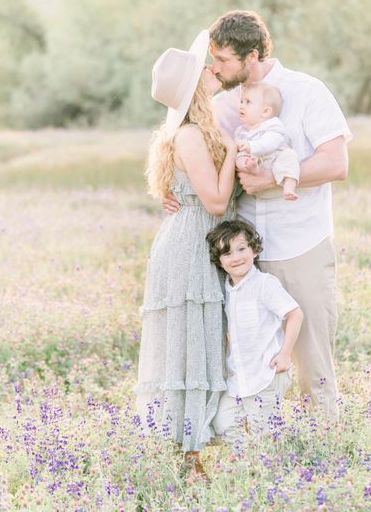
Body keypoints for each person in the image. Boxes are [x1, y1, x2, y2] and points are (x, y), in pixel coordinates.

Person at [165, 10, 352, 421]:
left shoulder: (308, 91)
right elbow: (194, 153)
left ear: (251, 57)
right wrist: (172, 192)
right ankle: (263, 445)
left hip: (298, 243)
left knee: (310, 355)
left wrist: (272, 178)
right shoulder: (223, 105)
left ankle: (326, 445)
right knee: (245, 355)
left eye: (223, 60)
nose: (215, 68)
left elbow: (336, 163)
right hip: (242, 251)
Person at [135, 29, 237, 475]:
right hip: (190, 245)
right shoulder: (191, 136)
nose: (214, 70)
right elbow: (215, 202)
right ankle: (186, 457)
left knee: (199, 340)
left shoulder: (197, 128)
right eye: (206, 68)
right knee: (187, 345)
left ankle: (190, 452)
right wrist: (233, 153)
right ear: (196, 84)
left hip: (196, 238)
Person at [206, 219, 303, 444]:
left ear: (254, 249)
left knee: (265, 432)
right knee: (224, 423)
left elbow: (295, 314)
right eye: (227, 253)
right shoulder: (224, 290)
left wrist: (285, 354)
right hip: (239, 376)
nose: (236, 257)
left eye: (242, 249)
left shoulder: (264, 284)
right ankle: (246, 465)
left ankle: (268, 470)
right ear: (219, 261)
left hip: (267, 373)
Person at [235, 81, 300, 200]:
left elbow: (270, 143)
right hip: (257, 162)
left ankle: (289, 186)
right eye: (241, 101)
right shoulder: (241, 131)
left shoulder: (273, 125)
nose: (241, 106)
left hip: (274, 159)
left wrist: (251, 145)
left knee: (289, 156)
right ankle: (252, 168)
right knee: (239, 158)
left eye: (248, 102)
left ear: (265, 111)